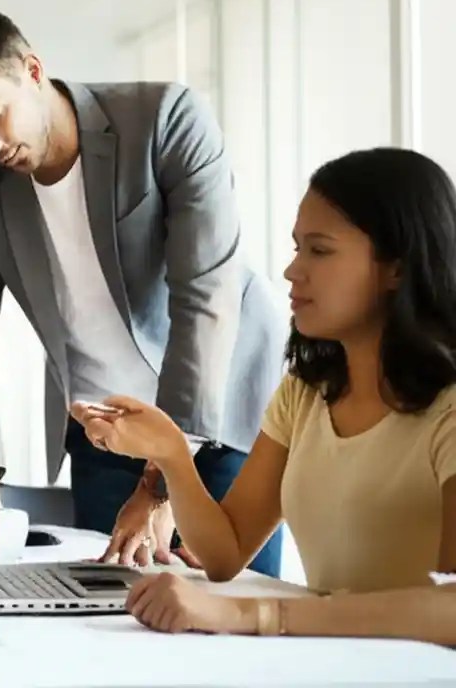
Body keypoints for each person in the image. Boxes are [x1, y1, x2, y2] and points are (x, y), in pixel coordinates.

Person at [0, 8, 286, 575]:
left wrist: (161, 482)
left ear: (32, 70)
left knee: (233, 613)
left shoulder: (166, 119)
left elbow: (206, 298)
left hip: (225, 418)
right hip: (104, 431)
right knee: (106, 621)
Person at [75, 147, 456, 643]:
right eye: (297, 248)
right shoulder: (304, 392)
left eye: (319, 250)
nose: (293, 271)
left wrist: (255, 615)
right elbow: (225, 554)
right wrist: (170, 453)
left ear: (398, 269)